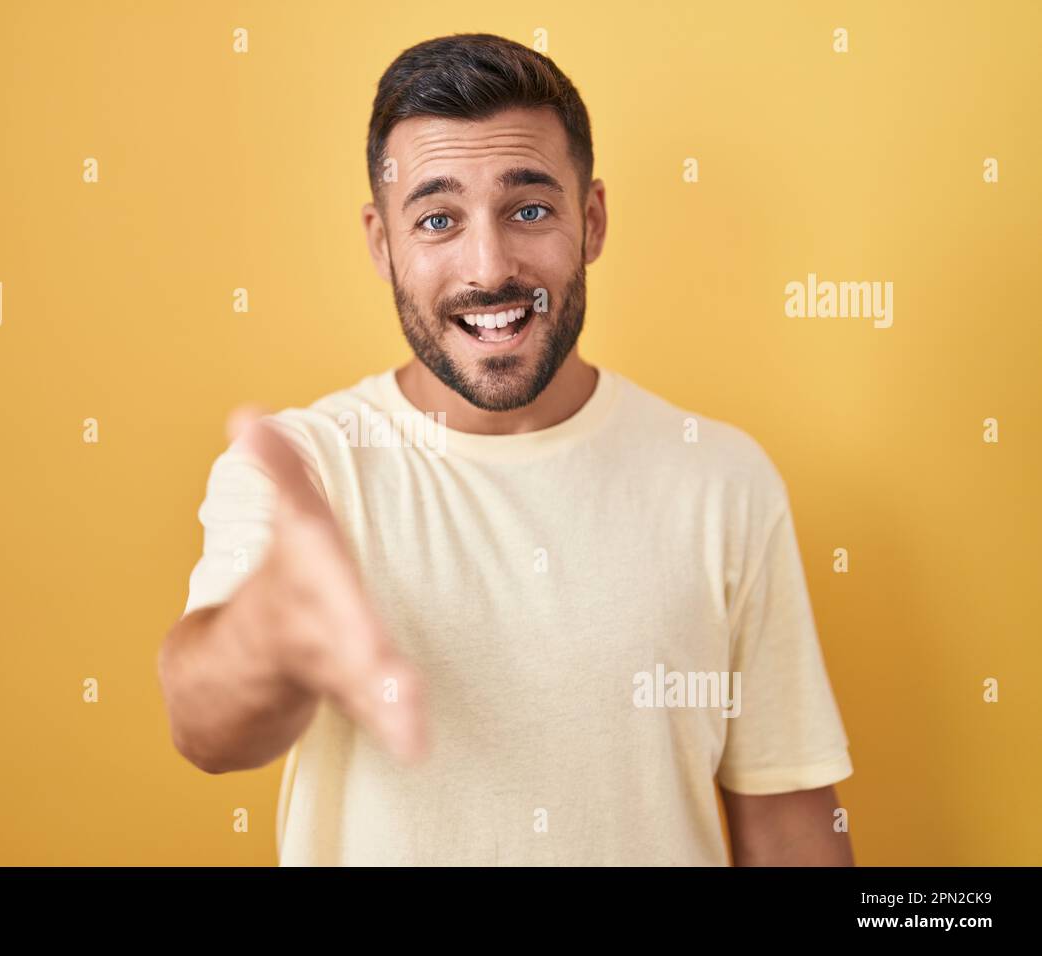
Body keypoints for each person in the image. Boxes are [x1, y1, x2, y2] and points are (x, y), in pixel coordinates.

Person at [157, 33, 854, 866]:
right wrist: (273, 629)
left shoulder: (723, 477)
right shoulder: (308, 470)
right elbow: (205, 728)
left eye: (529, 209)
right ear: (382, 244)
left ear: (590, 220)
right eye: (438, 219)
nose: (489, 267)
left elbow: (787, 825)